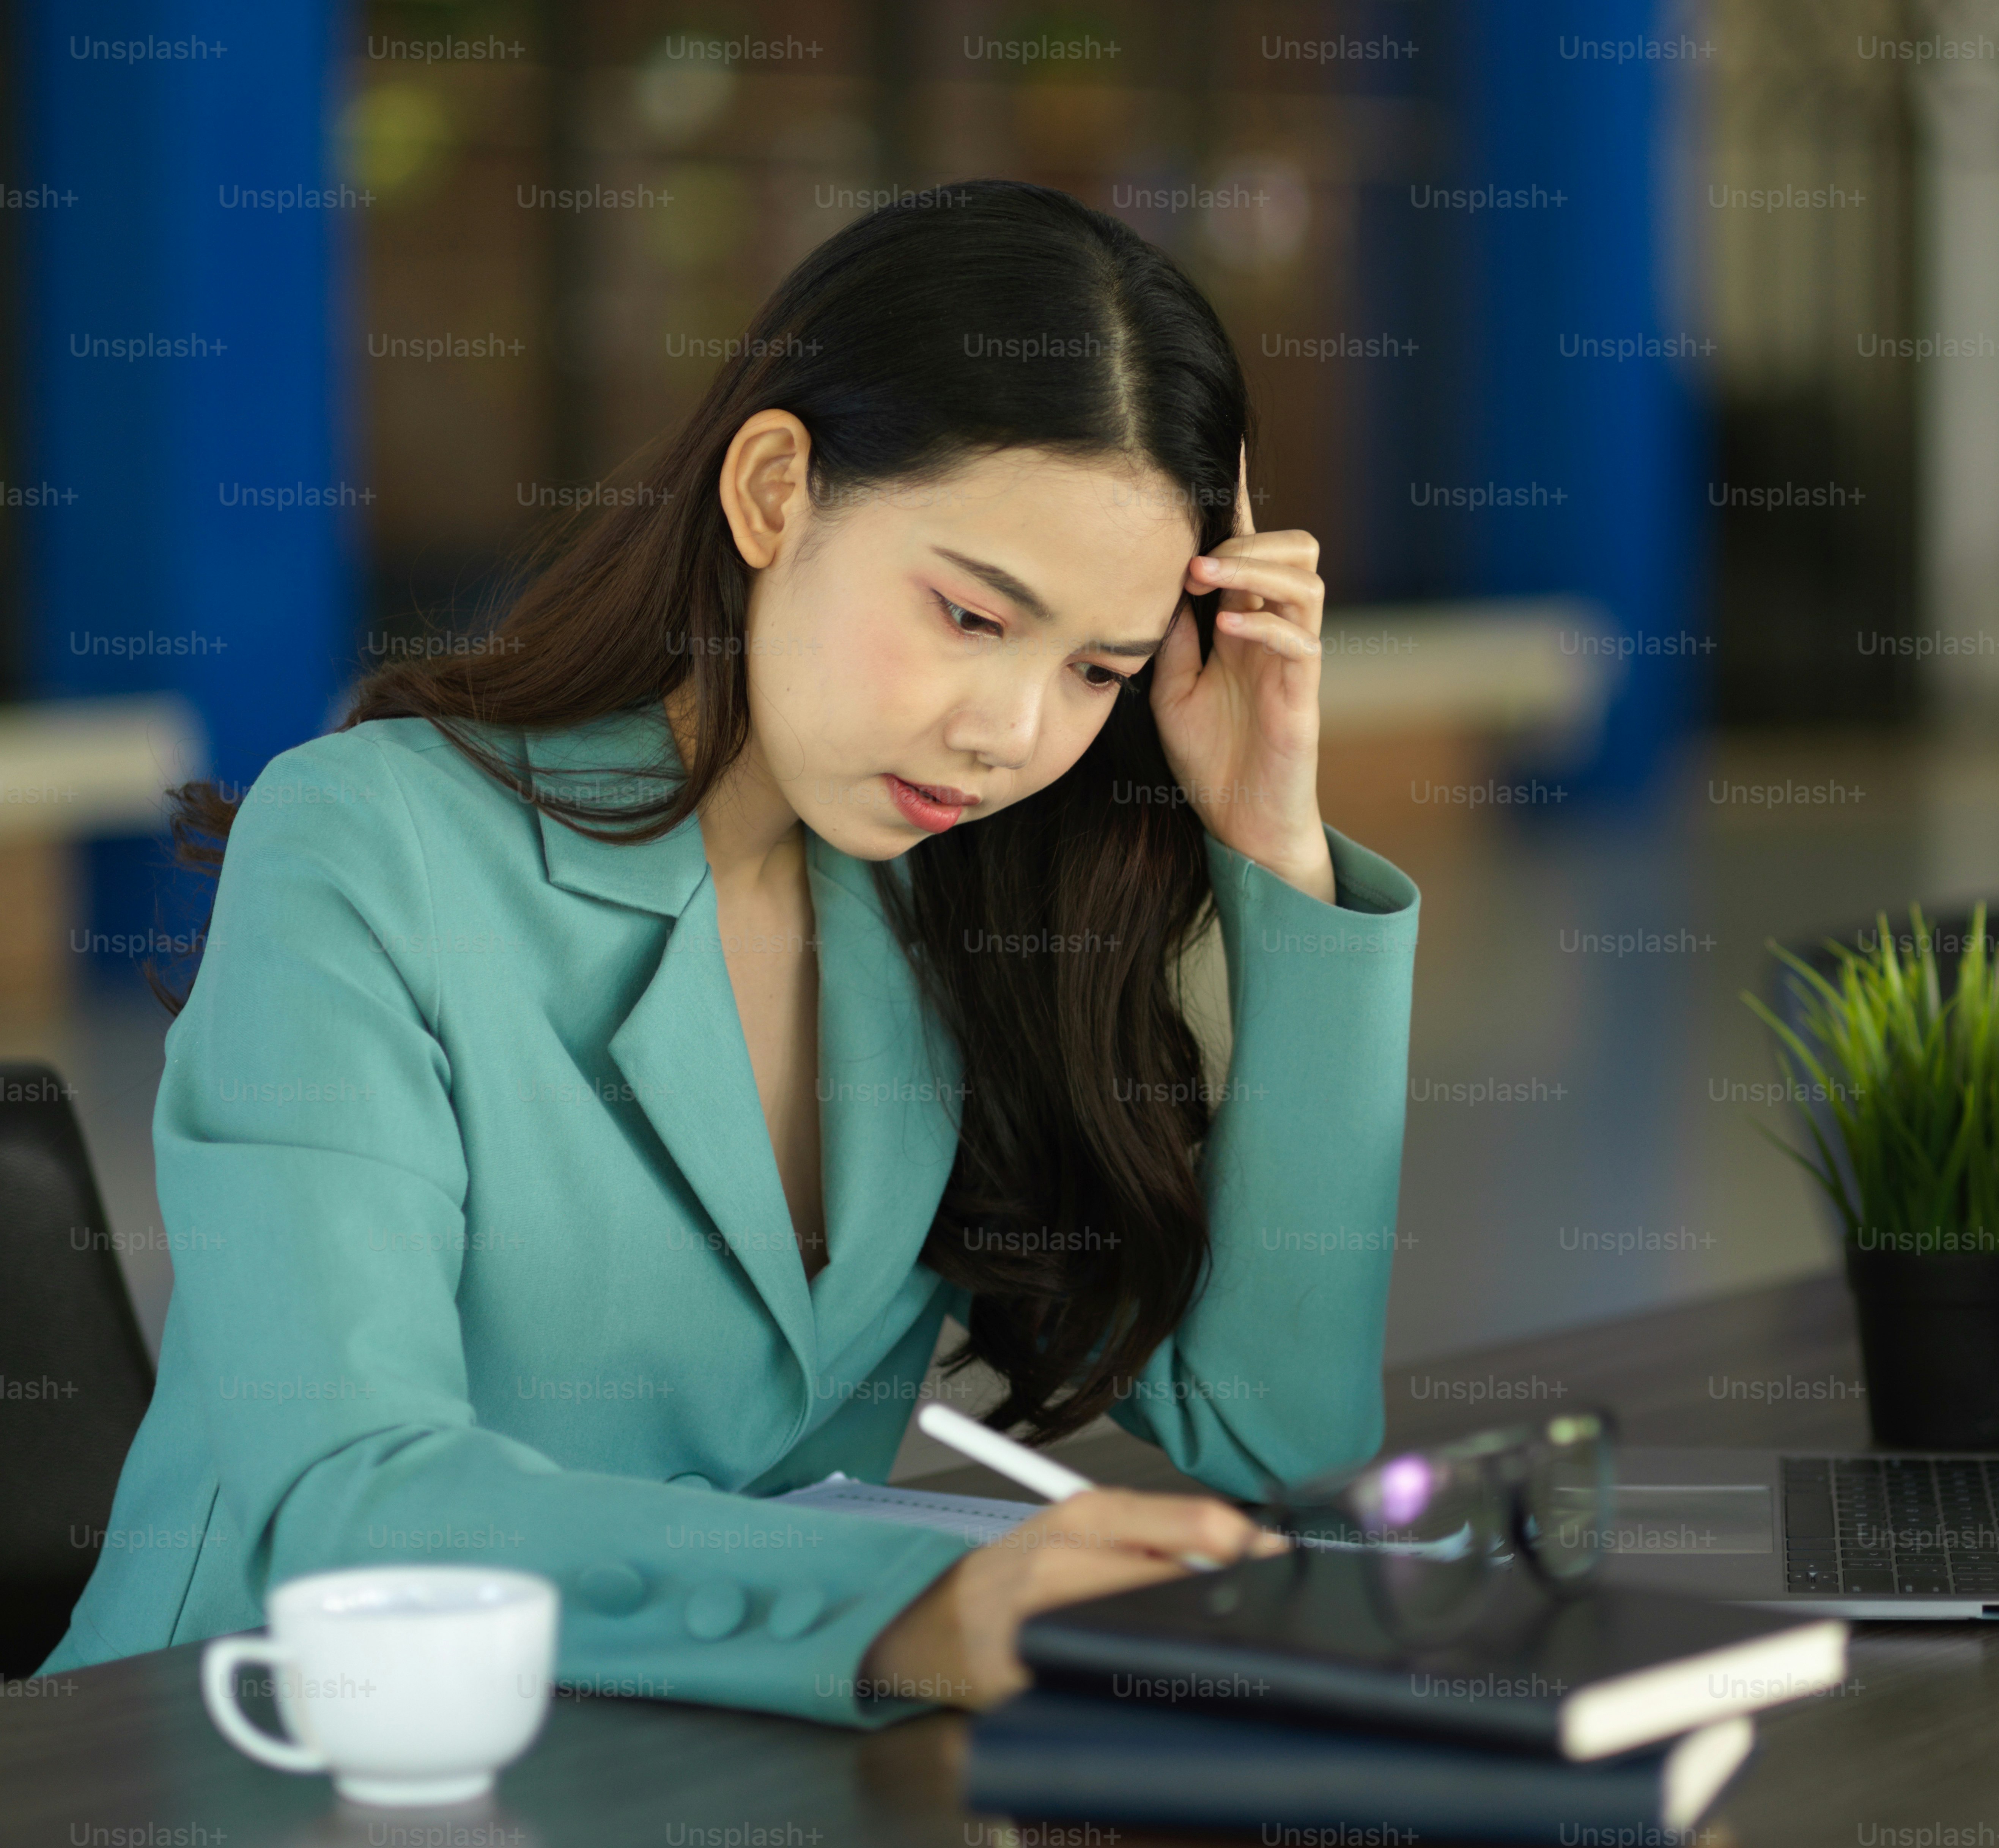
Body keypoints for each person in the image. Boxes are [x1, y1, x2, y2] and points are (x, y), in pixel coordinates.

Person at [40, 181, 1417, 1722]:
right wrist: (914, 1607)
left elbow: (1274, 1442)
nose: (1011, 735)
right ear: (774, 492)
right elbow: (352, 1506)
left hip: (692, 1793)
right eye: (970, 616)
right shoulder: (369, 845)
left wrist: (1270, 841)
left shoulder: (957, 902)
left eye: (1096, 668)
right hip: (238, 1778)